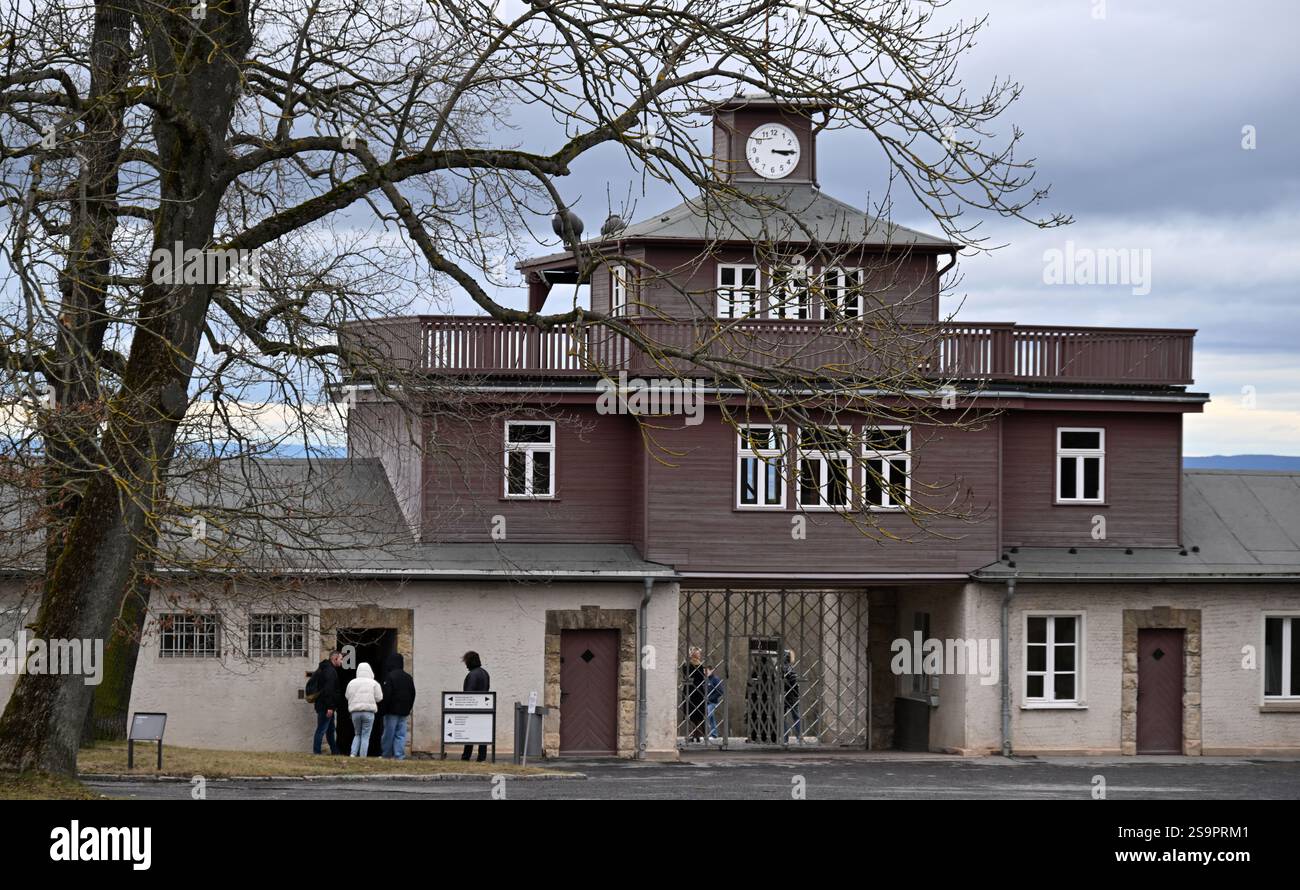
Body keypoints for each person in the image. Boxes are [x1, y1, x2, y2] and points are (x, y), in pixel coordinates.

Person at [381, 652, 416, 759]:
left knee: (389, 734)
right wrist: (409, 708)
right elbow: (413, 693)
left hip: (391, 711)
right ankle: (399, 755)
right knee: (400, 735)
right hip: (404, 711)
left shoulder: (390, 676)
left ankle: (386, 754)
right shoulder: (408, 677)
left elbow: (387, 695)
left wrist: (383, 709)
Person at [345, 662, 383, 757]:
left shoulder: (351, 683)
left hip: (355, 712)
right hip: (368, 712)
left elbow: (347, 696)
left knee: (357, 734)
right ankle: (363, 756)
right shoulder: (374, 683)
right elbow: (379, 698)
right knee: (365, 735)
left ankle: (353, 754)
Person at [311, 650, 343, 755]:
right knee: (322, 729)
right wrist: (330, 707)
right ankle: (317, 752)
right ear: (335, 659)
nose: (342, 662)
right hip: (326, 706)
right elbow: (329, 690)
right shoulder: (330, 671)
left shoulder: (325, 668)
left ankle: (335, 751)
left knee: (330, 730)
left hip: (324, 705)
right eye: (341, 659)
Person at [461, 651, 490, 762]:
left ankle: (466, 756)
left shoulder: (472, 675)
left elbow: (468, 694)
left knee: (470, 734)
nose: (466, 665)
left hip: (473, 709)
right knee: (482, 734)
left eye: (466, 662)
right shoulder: (485, 673)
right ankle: (482, 757)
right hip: (484, 708)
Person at [682, 647, 706, 742]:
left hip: (693, 690)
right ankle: (696, 733)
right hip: (694, 691)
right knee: (694, 713)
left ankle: (696, 733)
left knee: (695, 713)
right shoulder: (691, 665)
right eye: (698, 653)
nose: (700, 655)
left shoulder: (691, 665)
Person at [783, 649, 802, 744]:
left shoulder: (780, 667)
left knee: (782, 718)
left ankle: (785, 739)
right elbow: (794, 681)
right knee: (796, 717)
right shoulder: (789, 668)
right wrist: (796, 694)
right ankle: (799, 737)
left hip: (784, 695)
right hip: (792, 696)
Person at [704, 665, 724, 741]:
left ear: (711, 670)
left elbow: (720, 691)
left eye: (707, 671)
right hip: (704, 702)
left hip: (712, 702)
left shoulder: (715, 679)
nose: (705, 673)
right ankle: (714, 734)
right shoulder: (705, 679)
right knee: (711, 718)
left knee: (708, 716)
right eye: (704, 671)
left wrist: (709, 698)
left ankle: (710, 734)